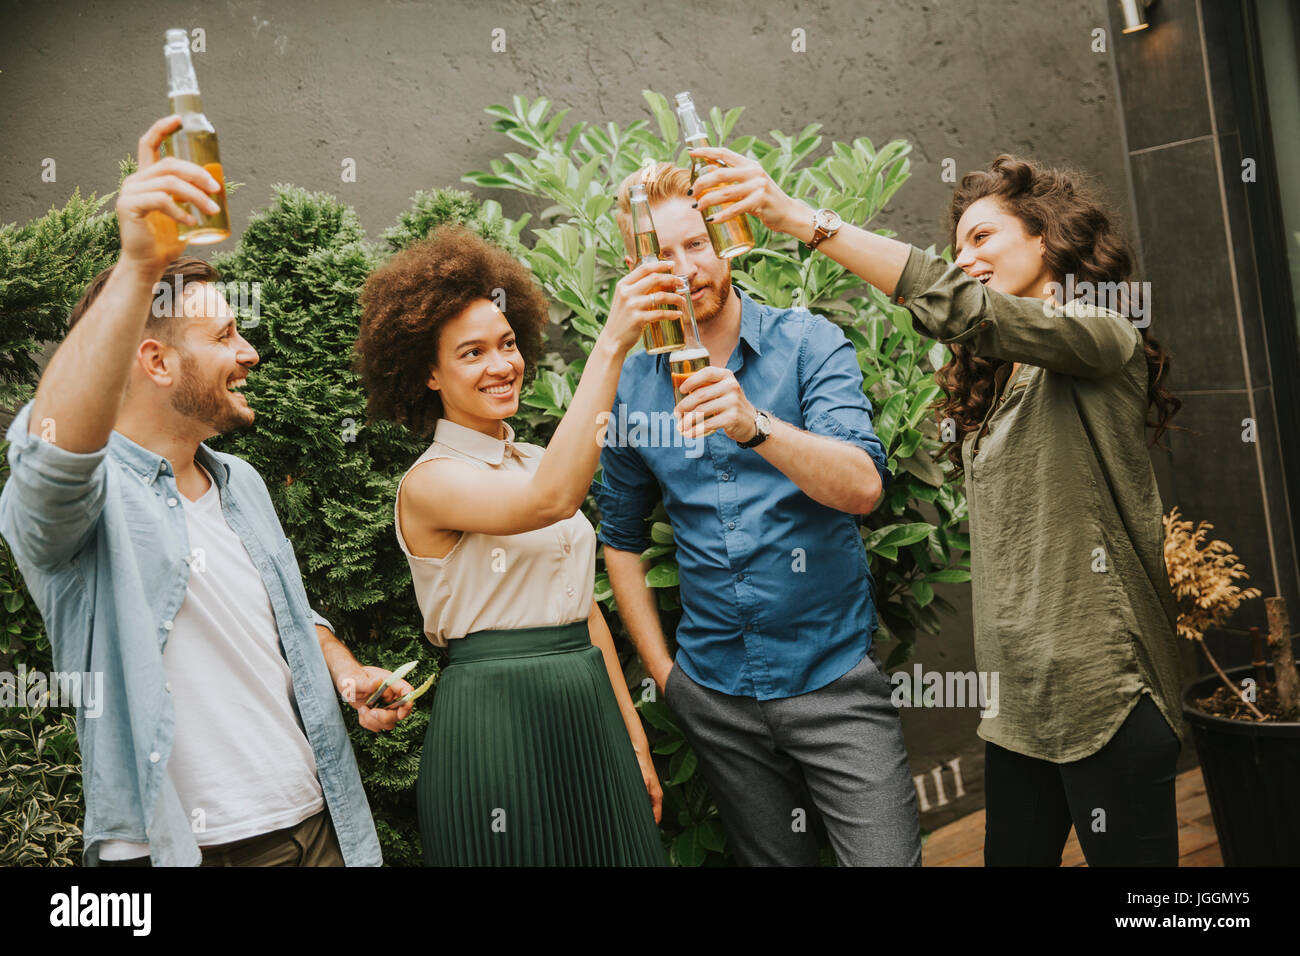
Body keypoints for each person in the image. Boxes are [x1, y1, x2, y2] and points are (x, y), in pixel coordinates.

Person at [692, 147, 1184, 866]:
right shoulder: (1002, 384)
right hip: (1017, 708)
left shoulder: (1103, 333)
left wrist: (799, 219)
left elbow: (966, 309)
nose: (966, 258)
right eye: (956, 247)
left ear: (1045, 237)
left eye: (983, 236)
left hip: (1107, 692)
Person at [0, 116, 414, 867]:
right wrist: (137, 267)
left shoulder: (241, 482)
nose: (249, 352)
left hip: (317, 827)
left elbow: (290, 615)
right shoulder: (86, 507)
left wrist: (346, 672)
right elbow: (48, 454)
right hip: (180, 849)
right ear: (155, 363)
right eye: (225, 336)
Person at [597, 162, 922, 867]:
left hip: (834, 680)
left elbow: (864, 488)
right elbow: (619, 540)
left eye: (697, 244)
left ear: (729, 240)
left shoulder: (809, 344)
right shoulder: (627, 388)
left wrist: (754, 424)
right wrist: (668, 678)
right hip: (715, 696)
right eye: (660, 253)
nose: (683, 269)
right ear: (634, 266)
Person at [354, 224, 679, 866]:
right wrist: (613, 343)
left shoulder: (536, 459)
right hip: (495, 722)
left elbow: (584, 612)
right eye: (471, 353)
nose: (502, 365)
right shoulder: (431, 482)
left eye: (506, 343)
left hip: (587, 708)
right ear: (428, 373)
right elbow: (550, 502)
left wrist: (633, 739)